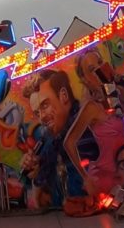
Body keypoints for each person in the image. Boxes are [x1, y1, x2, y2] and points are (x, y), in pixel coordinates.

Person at [20, 70, 86, 209]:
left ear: (63, 96)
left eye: (45, 105)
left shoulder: (86, 129)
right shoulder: (49, 139)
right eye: (37, 112)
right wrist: (35, 171)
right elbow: (41, 201)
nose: (42, 117)